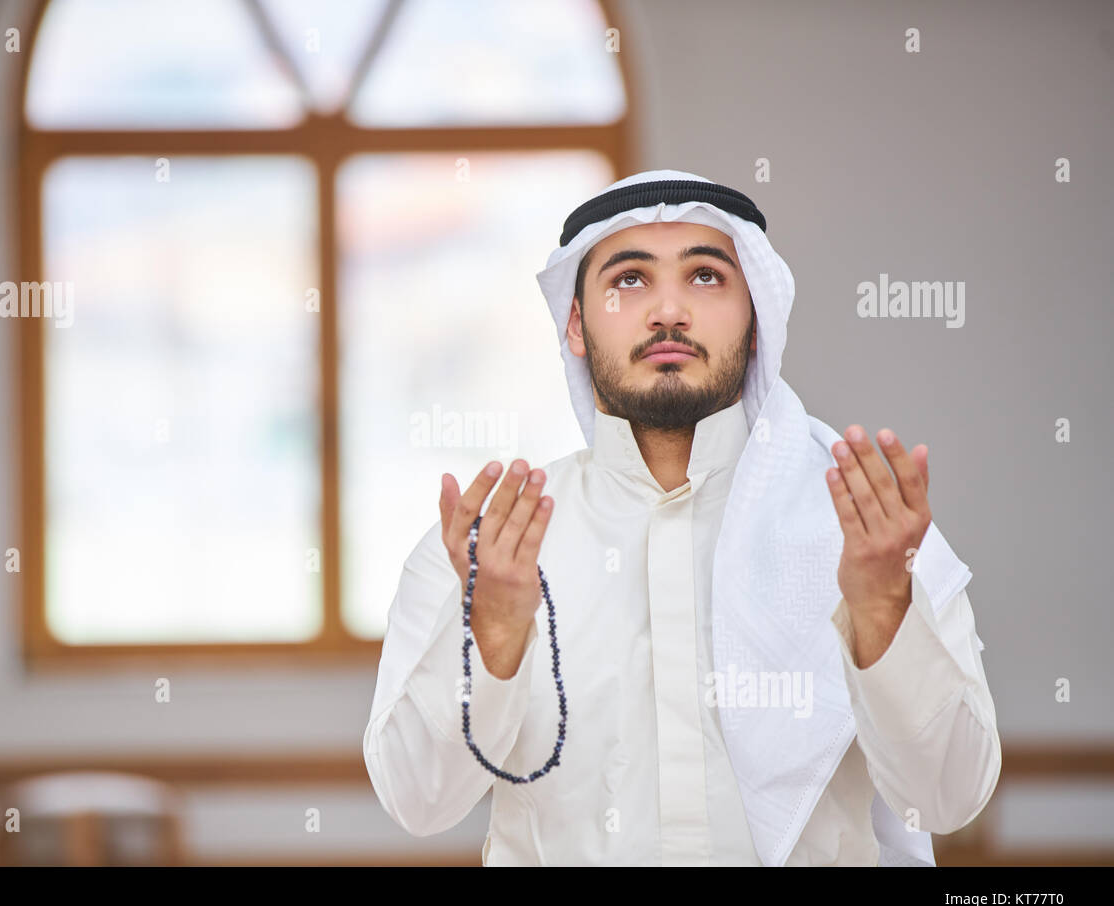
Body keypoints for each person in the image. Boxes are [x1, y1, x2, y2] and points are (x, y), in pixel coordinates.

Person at [362, 170, 1001, 865]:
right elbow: (416, 799)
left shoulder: (867, 534)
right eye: (629, 279)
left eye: (705, 277)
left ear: (756, 319)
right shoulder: (493, 545)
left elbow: (949, 796)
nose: (669, 310)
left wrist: (882, 612)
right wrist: (490, 636)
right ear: (576, 323)